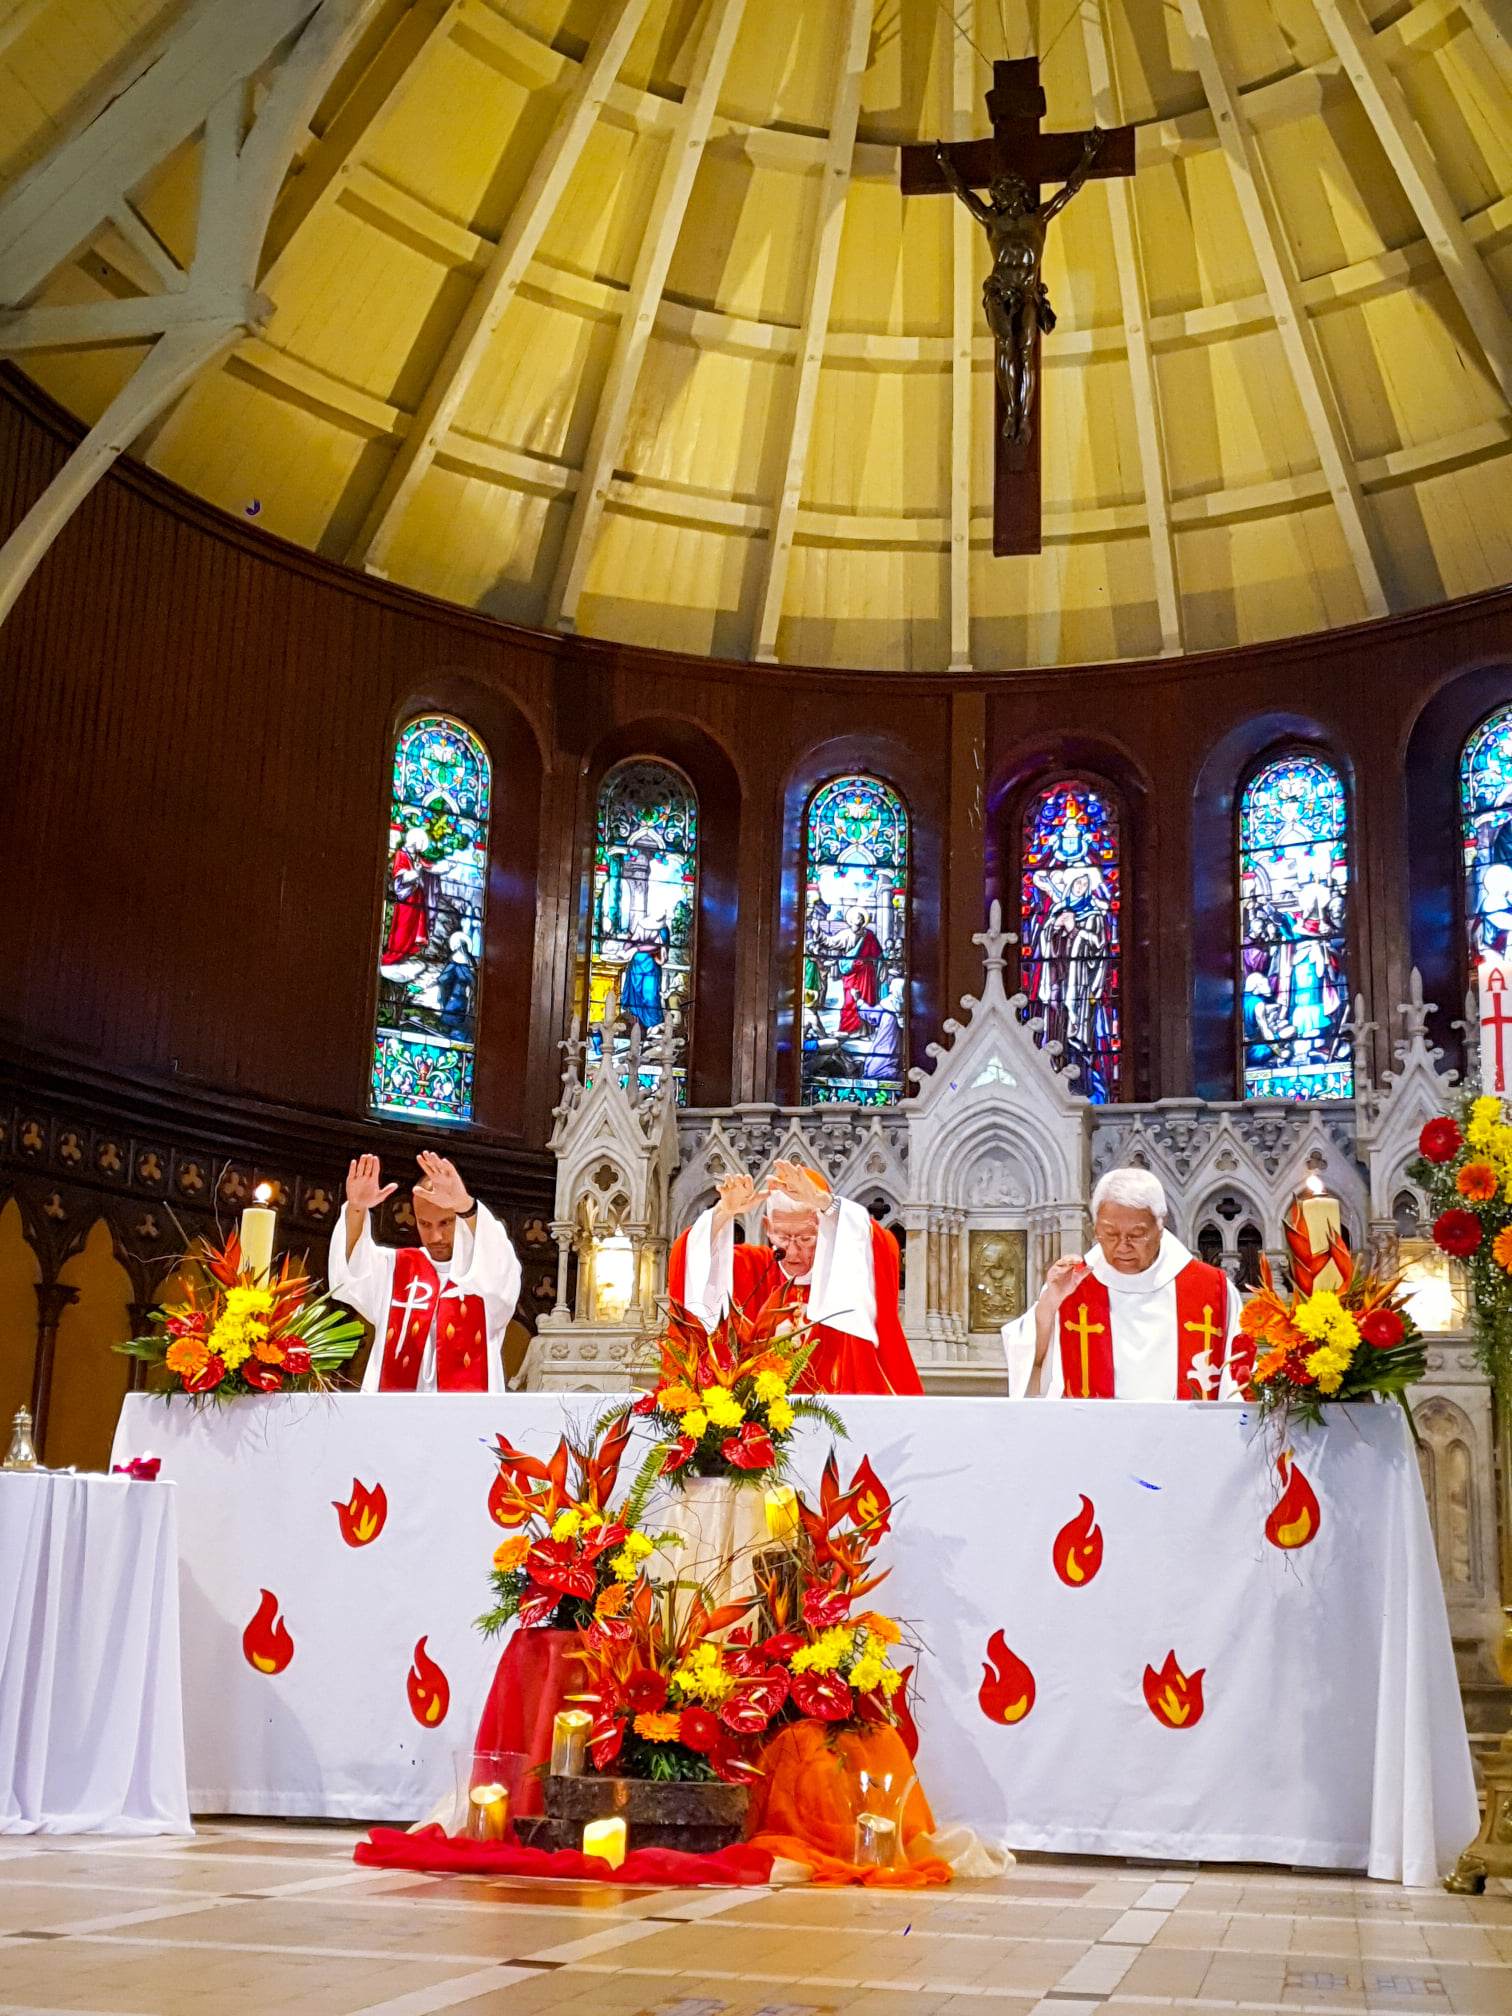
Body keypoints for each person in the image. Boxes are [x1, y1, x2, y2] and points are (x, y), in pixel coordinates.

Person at [668, 1159, 923, 1396]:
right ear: (767, 1227)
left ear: (826, 1230)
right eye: (782, 1236)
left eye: (805, 1238)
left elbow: (879, 1247)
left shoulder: (844, 1276)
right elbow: (692, 1261)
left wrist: (825, 1203)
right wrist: (723, 1212)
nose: (791, 1251)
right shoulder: (754, 1267)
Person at [1002, 1167, 1247, 1400]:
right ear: (1095, 1228)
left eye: (1136, 1235)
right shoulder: (1073, 1284)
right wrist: (1049, 1304)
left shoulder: (1212, 1289)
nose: (1122, 1246)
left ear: (1160, 1227)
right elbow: (1031, 1361)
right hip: (1092, 1427)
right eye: (1110, 1234)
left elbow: (1236, 1383)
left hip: (1183, 1428)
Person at [330, 1151, 520, 1393]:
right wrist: (356, 1209)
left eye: (446, 1223)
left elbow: (502, 1268)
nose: (435, 1236)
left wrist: (466, 1206)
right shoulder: (394, 1269)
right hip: (396, 1412)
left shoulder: (485, 1273)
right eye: (425, 1224)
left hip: (466, 1413)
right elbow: (350, 1274)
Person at [382, 828, 435, 964]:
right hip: (406, 897)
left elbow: (429, 866)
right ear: (415, 840)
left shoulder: (415, 856)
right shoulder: (401, 854)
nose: (422, 846)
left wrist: (446, 868)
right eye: (421, 842)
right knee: (403, 926)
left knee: (413, 926)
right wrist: (415, 873)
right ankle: (395, 953)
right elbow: (400, 876)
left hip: (416, 897)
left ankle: (407, 952)